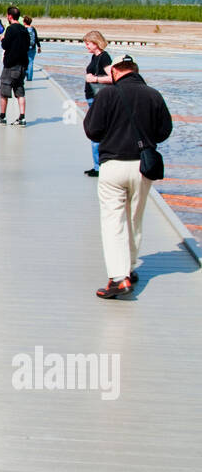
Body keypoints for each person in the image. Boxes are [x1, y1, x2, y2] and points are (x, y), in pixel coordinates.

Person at [83, 55, 172, 299]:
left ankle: (118, 278)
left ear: (116, 73)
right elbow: (164, 131)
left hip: (112, 165)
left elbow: (92, 130)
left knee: (114, 222)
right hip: (143, 166)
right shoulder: (153, 94)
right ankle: (130, 269)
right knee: (135, 217)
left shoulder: (107, 95)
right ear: (134, 70)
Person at [0, 6, 29, 125]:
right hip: (22, 65)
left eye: (7, 15)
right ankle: (22, 117)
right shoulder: (24, 29)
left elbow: (5, 45)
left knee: (4, 91)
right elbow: (27, 45)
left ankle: (2, 117)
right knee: (20, 91)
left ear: (10, 16)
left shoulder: (11, 29)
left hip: (11, 65)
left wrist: (3, 38)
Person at [83, 30, 112, 177]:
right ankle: (97, 165)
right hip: (93, 98)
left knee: (96, 131)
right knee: (95, 131)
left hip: (98, 98)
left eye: (88, 43)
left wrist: (95, 79)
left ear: (95, 43)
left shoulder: (104, 57)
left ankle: (100, 167)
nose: (86, 46)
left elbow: (112, 77)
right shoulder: (95, 57)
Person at [23, 15, 41, 82]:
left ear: (24, 22)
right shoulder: (33, 29)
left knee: (24, 62)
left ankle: (23, 75)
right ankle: (29, 78)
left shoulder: (23, 28)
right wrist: (39, 47)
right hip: (32, 48)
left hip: (24, 48)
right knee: (30, 62)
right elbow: (36, 38)